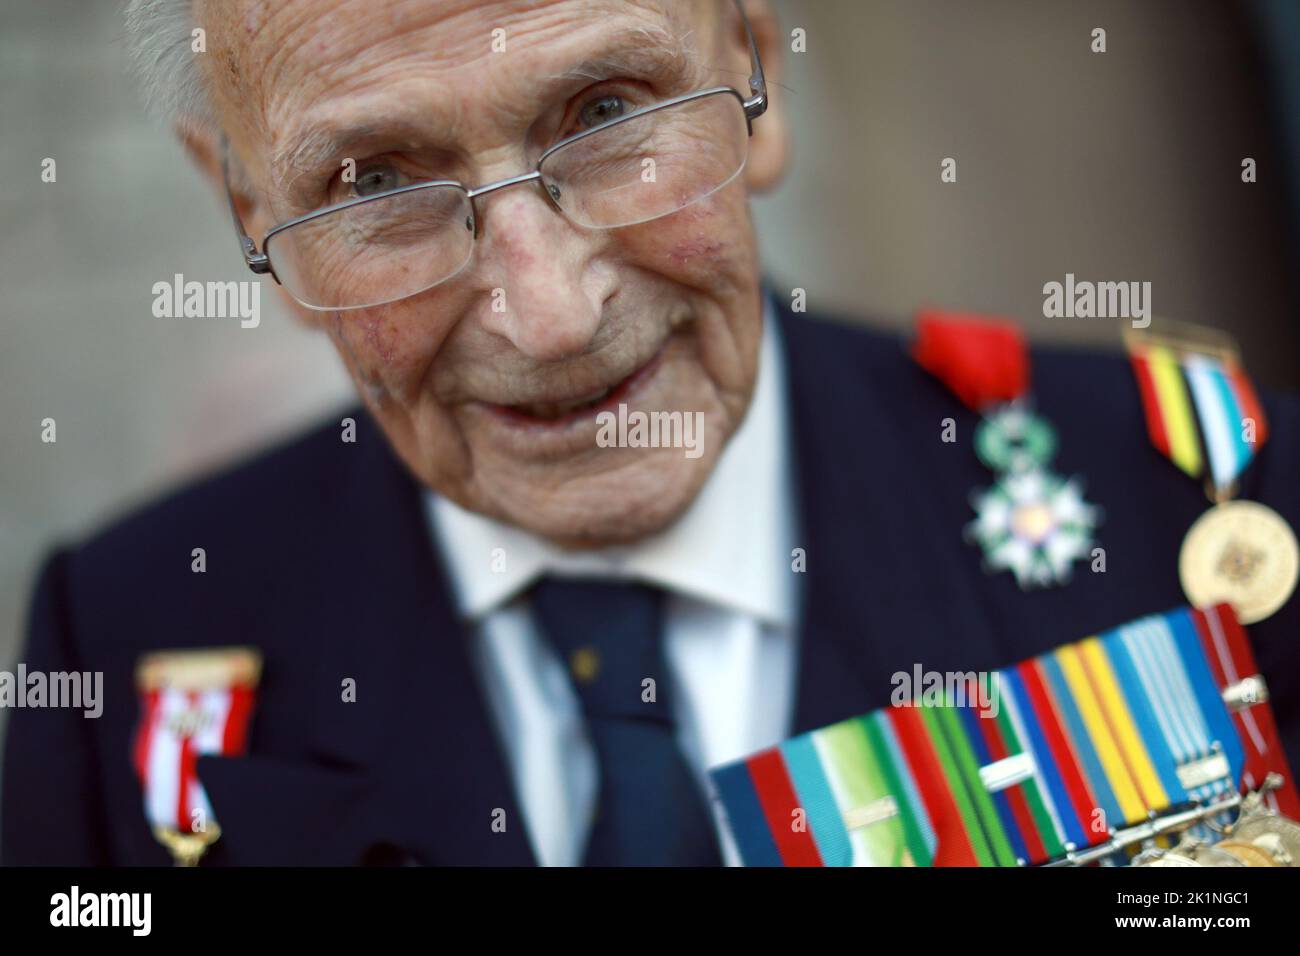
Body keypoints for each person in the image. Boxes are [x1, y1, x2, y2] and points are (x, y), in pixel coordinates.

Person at [3, 0, 1297, 867]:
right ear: (249, 223)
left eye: (608, 114)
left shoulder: (1206, 505)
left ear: (757, 76)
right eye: (377, 187)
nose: (549, 313)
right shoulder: (121, 639)